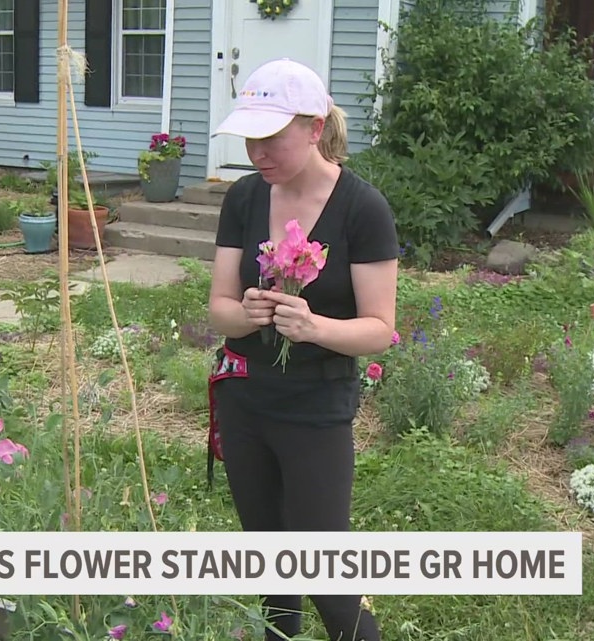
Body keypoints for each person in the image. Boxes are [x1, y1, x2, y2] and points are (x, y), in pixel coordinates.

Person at [206, 58, 399, 641]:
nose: (256, 153)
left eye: (271, 139)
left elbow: (379, 328)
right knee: (272, 574)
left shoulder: (362, 209)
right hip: (245, 403)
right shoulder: (243, 199)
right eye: (249, 139)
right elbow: (217, 308)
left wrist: (314, 328)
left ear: (315, 128)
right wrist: (245, 315)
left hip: (316, 407)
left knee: (328, 579)